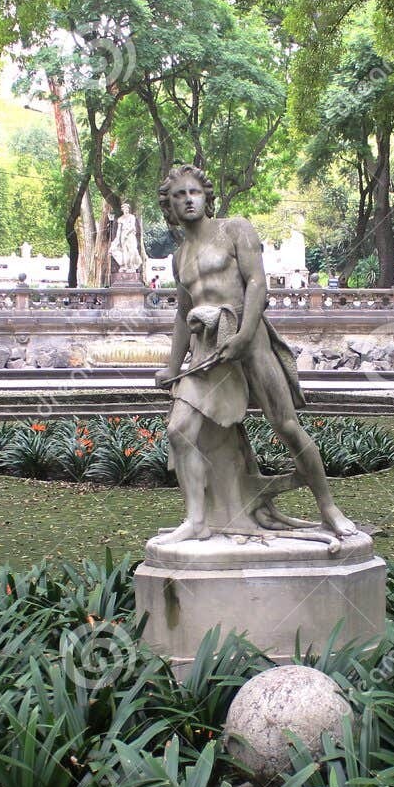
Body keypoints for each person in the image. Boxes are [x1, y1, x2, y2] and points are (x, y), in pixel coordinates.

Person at [153, 162, 356, 544]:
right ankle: (197, 520)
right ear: (170, 207)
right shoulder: (179, 257)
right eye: (179, 196)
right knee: (180, 430)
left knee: (286, 426)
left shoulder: (235, 229)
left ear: (206, 197)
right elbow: (182, 315)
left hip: (251, 341)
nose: (188, 200)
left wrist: (245, 334)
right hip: (208, 353)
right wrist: (170, 366)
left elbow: (257, 283)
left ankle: (329, 508)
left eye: (194, 192)